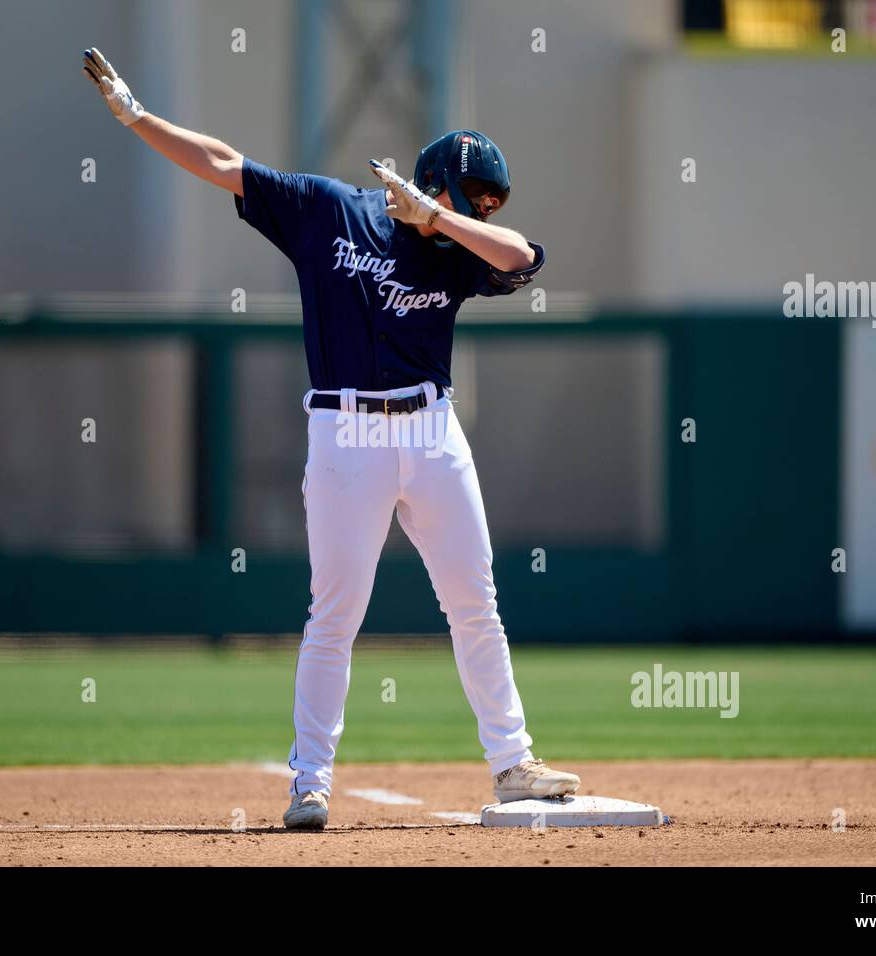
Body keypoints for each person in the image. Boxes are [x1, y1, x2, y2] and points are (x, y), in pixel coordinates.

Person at [83, 48, 579, 830]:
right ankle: (309, 782)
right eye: (473, 196)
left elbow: (526, 259)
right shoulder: (328, 210)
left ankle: (513, 764)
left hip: (434, 429)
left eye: (488, 201)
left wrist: (440, 219)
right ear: (435, 177)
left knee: (474, 603)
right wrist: (139, 117)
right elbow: (225, 165)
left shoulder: (460, 248)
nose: (484, 211)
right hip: (346, 431)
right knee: (335, 614)